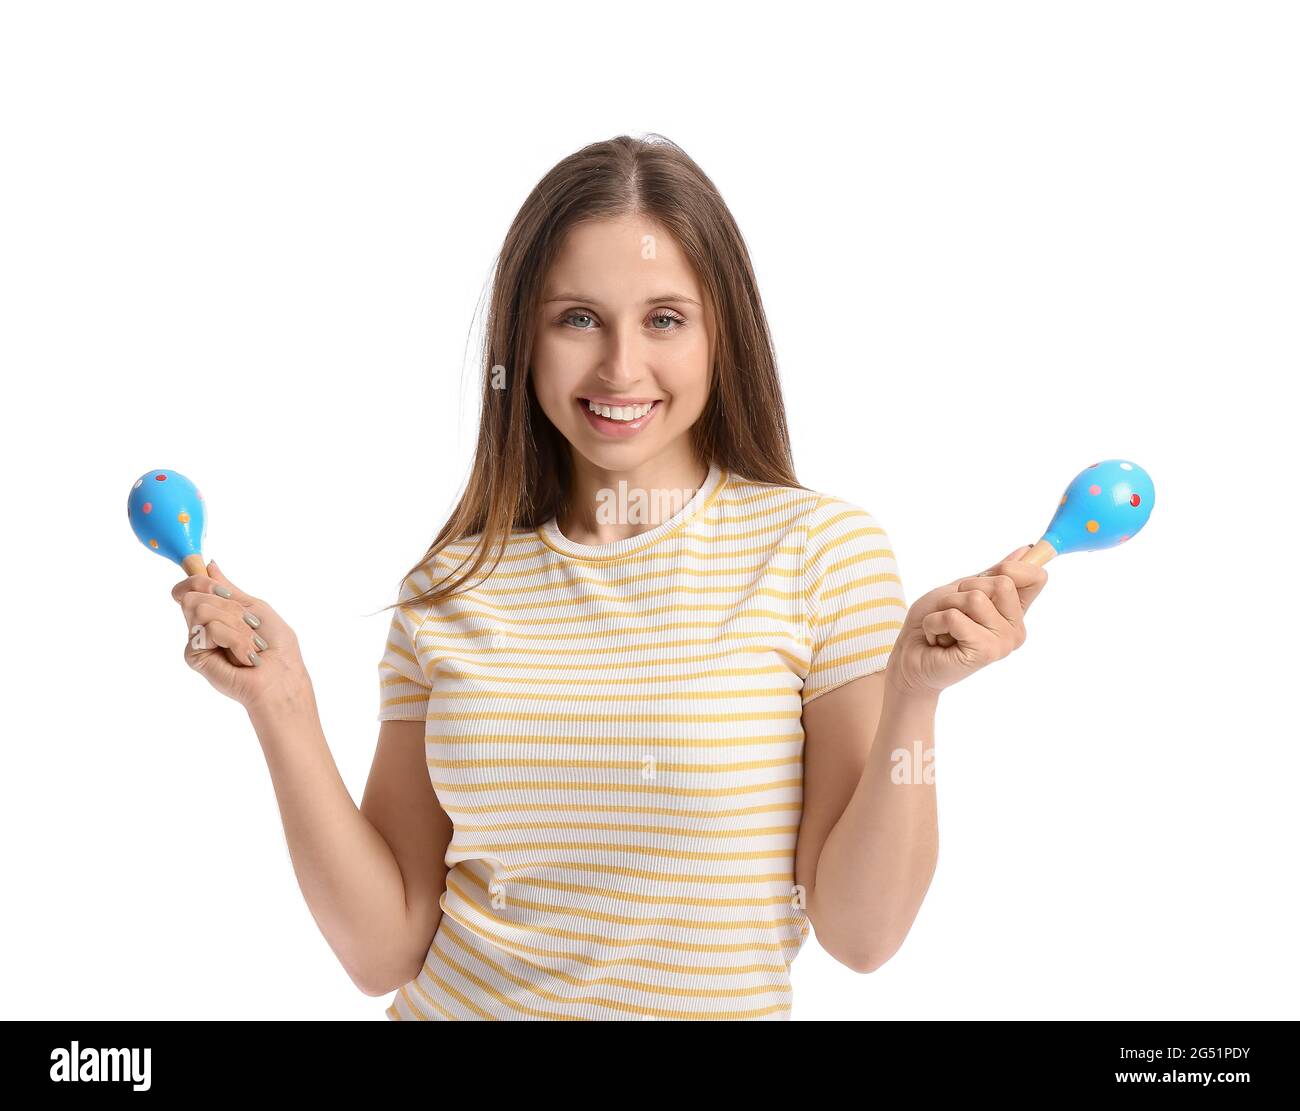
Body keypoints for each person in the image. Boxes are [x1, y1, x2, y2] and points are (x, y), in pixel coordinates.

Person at [172, 133, 1048, 1021]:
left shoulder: (819, 552)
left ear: (721, 335)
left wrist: (914, 697)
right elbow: (384, 949)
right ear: (526, 339)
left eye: (664, 318)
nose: (621, 367)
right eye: (577, 318)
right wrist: (280, 702)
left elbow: (864, 934)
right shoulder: (451, 586)